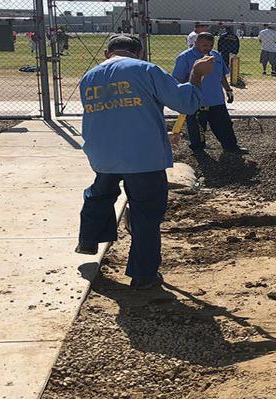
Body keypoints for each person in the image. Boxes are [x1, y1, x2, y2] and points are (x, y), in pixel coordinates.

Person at [76, 34, 213, 290]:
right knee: (146, 214)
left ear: (109, 53)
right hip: (143, 157)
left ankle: (89, 239)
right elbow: (186, 103)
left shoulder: (90, 76)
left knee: (100, 193)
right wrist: (197, 73)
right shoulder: (145, 69)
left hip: (103, 153)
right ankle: (143, 274)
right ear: (138, 53)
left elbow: (113, 114)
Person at [173, 32, 246, 156]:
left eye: (210, 45)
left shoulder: (216, 56)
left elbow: (221, 74)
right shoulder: (185, 57)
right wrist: (184, 96)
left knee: (224, 125)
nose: (208, 48)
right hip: (196, 101)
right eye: (204, 45)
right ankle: (198, 150)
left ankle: (231, 147)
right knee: (197, 128)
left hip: (216, 99)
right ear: (196, 43)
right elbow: (178, 78)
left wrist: (228, 89)